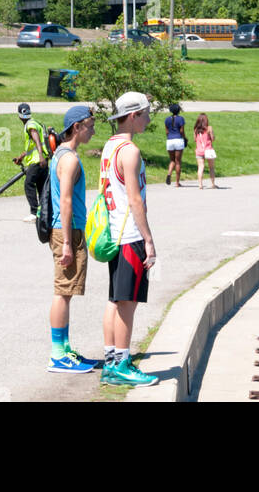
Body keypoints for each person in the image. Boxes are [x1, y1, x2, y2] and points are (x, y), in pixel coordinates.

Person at [99, 91, 159, 387]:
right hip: (130, 235)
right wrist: (148, 239)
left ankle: (111, 360)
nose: (149, 119)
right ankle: (122, 363)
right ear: (133, 116)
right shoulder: (130, 151)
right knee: (128, 303)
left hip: (113, 233)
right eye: (146, 114)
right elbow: (135, 200)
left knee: (115, 299)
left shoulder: (110, 146)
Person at [47, 103, 97, 374]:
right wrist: (67, 242)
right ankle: (57, 354)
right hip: (67, 231)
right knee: (63, 292)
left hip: (71, 229)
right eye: (89, 126)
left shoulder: (62, 155)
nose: (93, 131)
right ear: (76, 127)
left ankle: (65, 348)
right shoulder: (69, 159)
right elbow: (65, 201)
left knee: (66, 291)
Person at [14, 103, 49, 218]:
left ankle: (34, 213)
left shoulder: (30, 125)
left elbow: (37, 140)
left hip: (37, 160)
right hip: (42, 159)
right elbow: (31, 146)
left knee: (29, 184)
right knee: (41, 186)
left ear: (19, 116)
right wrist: (21, 157)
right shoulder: (34, 123)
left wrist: (40, 156)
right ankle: (44, 212)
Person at [164, 101, 187, 187]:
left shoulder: (167, 119)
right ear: (178, 110)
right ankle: (177, 182)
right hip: (178, 140)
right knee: (178, 162)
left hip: (169, 140)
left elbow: (166, 132)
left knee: (172, 160)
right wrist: (184, 138)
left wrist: (170, 137)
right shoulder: (181, 119)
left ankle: (169, 174)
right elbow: (181, 131)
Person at [194, 112, 217, 189]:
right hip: (208, 150)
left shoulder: (196, 129)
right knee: (211, 168)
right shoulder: (209, 128)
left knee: (200, 167)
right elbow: (213, 139)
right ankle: (213, 184)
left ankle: (200, 184)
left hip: (199, 150)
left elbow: (195, 140)